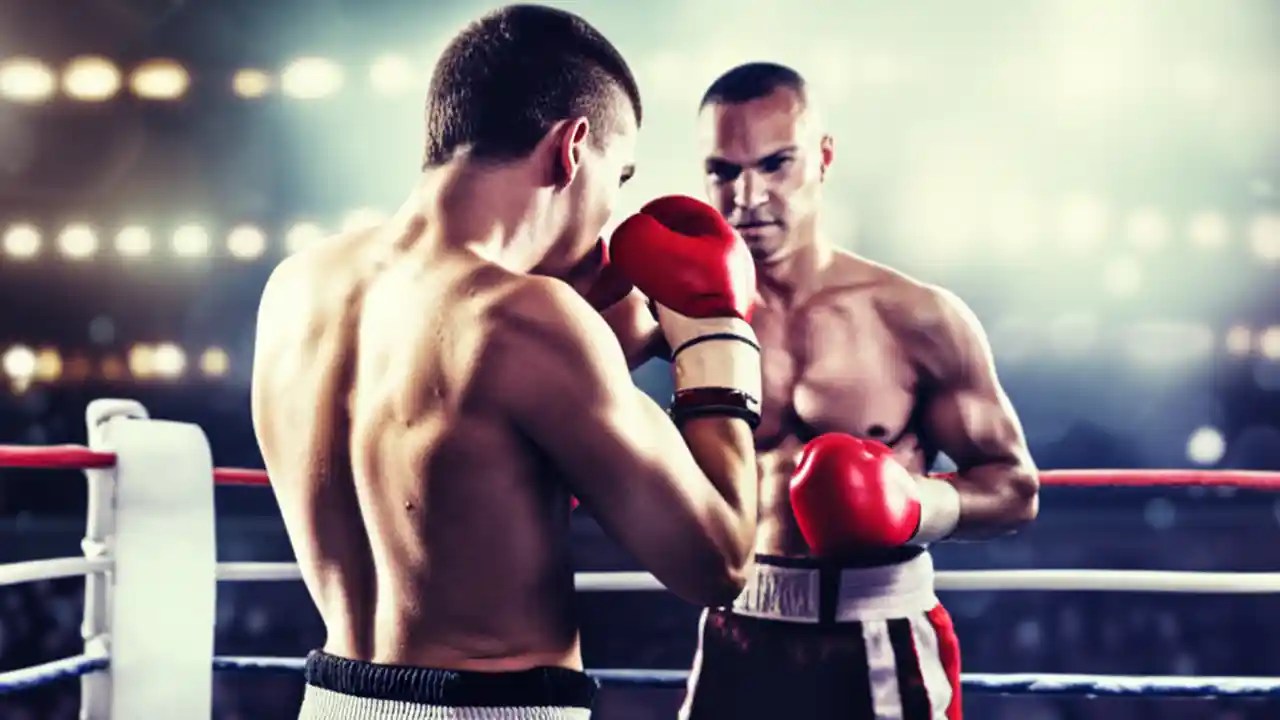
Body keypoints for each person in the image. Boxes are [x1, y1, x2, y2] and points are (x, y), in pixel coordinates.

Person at [249, 6, 763, 718]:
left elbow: (461, 449)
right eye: (618, 178)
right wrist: (716, 339)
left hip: (333, 700)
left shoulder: (297, 285)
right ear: (571, 148)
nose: (610, 212)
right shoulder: (528, 320)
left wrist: (601, 341)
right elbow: (721, 563)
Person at [663, 62, 1041, 719]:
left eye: (776, 164)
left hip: (878, 632)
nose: (747, 196)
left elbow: (1015, 488)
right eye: (723, 171)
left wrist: (912, 504)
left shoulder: (916, 316)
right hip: (736, 629)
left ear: (823, 157)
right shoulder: (680, 314)